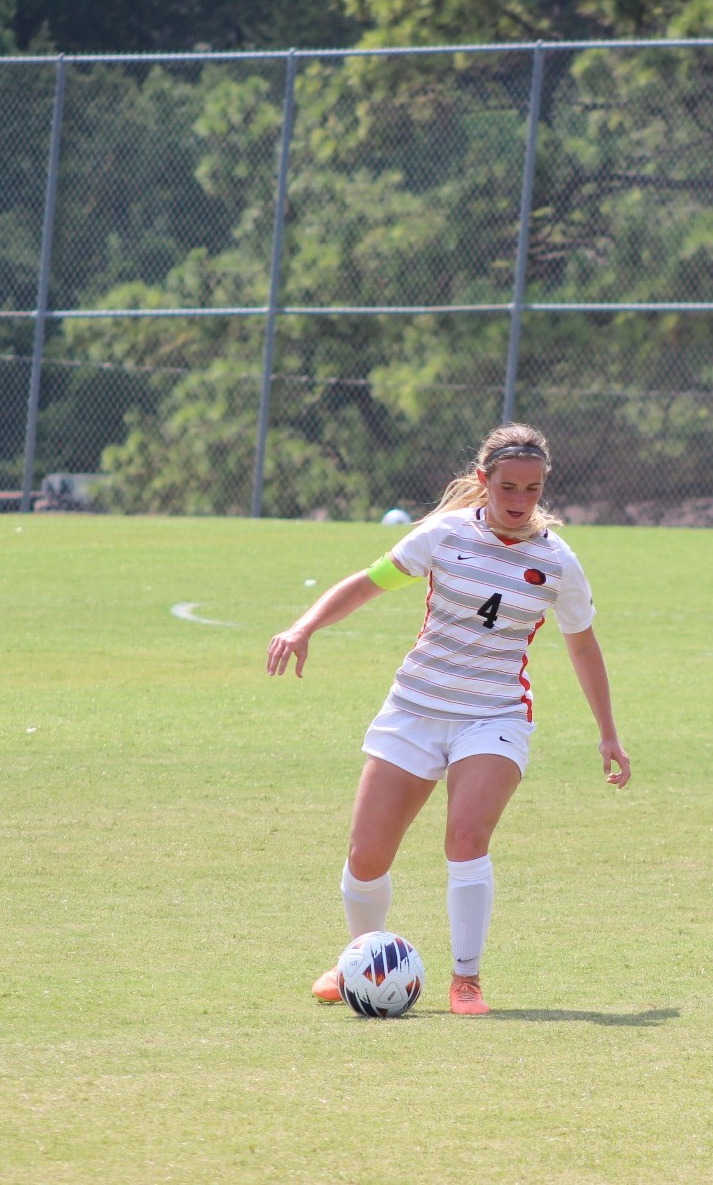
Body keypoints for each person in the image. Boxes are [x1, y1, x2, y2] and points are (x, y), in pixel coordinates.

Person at [267, 423, 631, 1016]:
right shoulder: (442, 536)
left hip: (493, 716)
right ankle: (359, 960)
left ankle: (467, 979)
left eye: (533, 490)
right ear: (484, 481)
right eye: (508, 486)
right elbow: (368, 584)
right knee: (366, 855)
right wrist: (304, 626)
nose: (519, 502)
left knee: (465, 838)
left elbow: (583, 647)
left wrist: (609, 733)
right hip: (413, 708)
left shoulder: (558, 563)